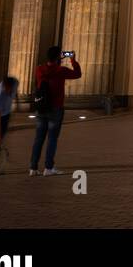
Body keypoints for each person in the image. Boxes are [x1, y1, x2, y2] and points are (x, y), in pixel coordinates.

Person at [29, 47, 81, 177]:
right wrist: (72, 60)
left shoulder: (40, 69)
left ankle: (33, 168)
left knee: (38, 138)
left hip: (41, 107)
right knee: (52, 139)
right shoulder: (61, 71)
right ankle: (48, 167)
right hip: (55, 108)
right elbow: (77, 74)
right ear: (58, 57)